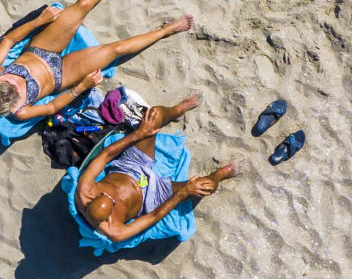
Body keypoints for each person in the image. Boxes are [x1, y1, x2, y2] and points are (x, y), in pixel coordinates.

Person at [0, 0, 193, 121]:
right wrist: (81, 87)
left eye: (11, 84)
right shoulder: (21, 112)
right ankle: (167, 30)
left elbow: (9, 40)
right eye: (17, 92)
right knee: (114, 50)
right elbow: (53, 106)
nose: (19, 85)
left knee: (82, 6)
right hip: (59, 75)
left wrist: (39, 21)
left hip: (41, 50)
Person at [74, 94, 237, 242]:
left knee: (155, 114)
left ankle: (177, 110)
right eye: (113, 202)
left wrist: (137, 135)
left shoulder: (85, 190)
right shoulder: (115, 231)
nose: (112, 196)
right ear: (109, 216)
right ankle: (221, 174)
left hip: (128, 167)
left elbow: (106, 154)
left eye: (105, 194)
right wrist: (182, 193)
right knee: (206, 186)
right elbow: (153, 216)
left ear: (94, 197)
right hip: (149, 195)